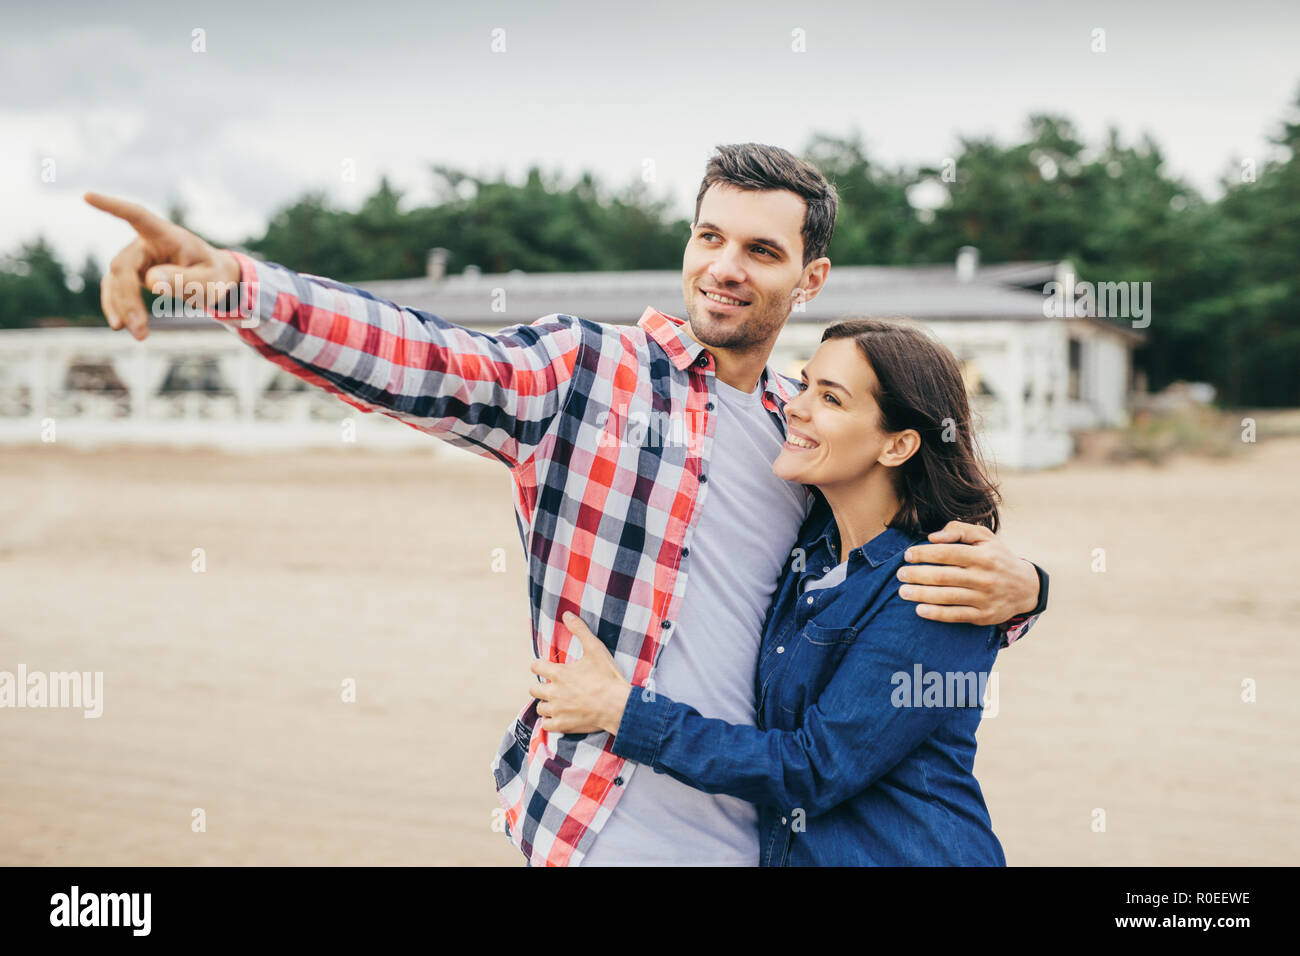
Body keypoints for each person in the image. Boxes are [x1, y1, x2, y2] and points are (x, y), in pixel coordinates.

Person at [85, 143, 1048, 867]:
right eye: (709, 235)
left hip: (760, 840)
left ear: (810, 279)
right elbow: (419, 357)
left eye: (761, 249)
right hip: (600, 821)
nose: (726, 266)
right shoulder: (584, 373)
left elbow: (882, 576)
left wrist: (1029, 589)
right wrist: (243, 287)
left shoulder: (801, 432)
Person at [530, 319, 1013, 865]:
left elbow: (812, 769)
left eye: (830, 398)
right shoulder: (815, 552)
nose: (797, 406)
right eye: (805, 383)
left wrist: (622, 712)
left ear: (898, 444)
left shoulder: (934, 584)